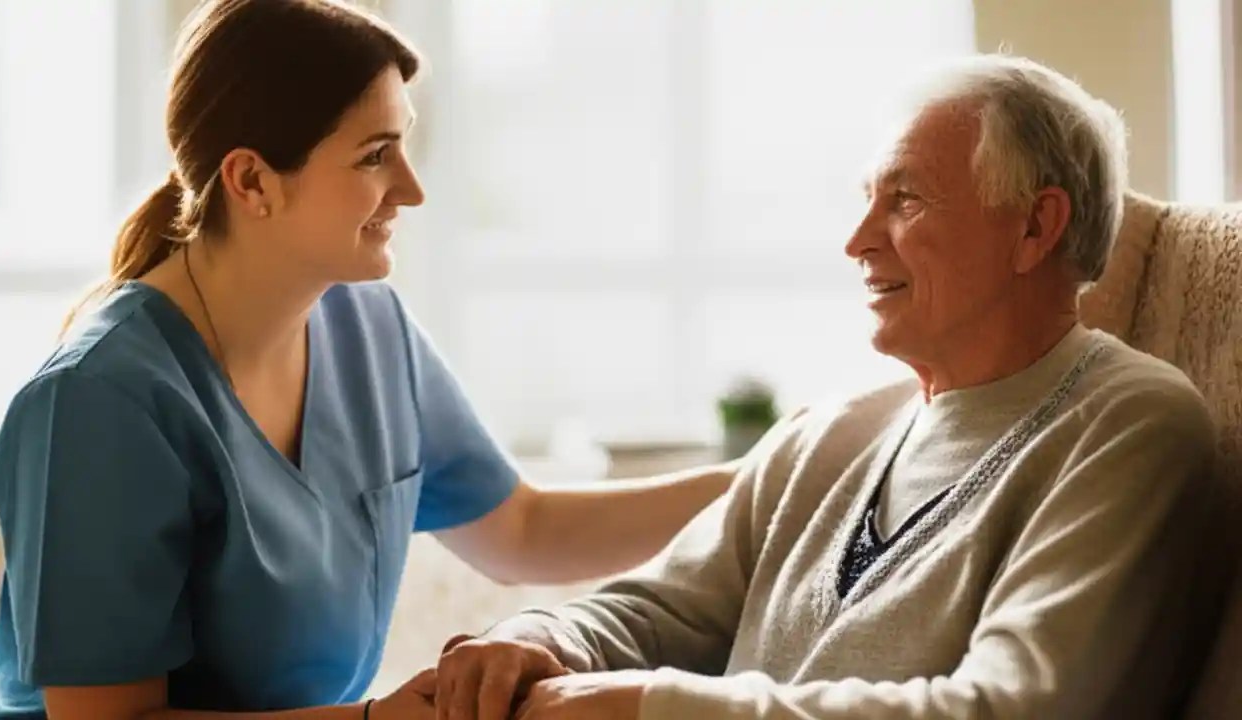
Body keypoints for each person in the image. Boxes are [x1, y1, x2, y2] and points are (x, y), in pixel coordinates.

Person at [0, 1, 740, 718]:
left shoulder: (367, 326)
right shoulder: (99, 402)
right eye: (375, 156)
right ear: (251, 181)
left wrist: (781, 476)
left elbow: (523, 529)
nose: (411, 190)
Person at [427, 54, 1221, 720]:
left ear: (1035, 228)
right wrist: (541, 638)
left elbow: (1012, 708)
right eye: (866, 199)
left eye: (904, 199)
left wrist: (650, 707)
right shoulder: (831, 430)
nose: (857, 240)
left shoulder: (1130, 424)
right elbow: (656, 608)